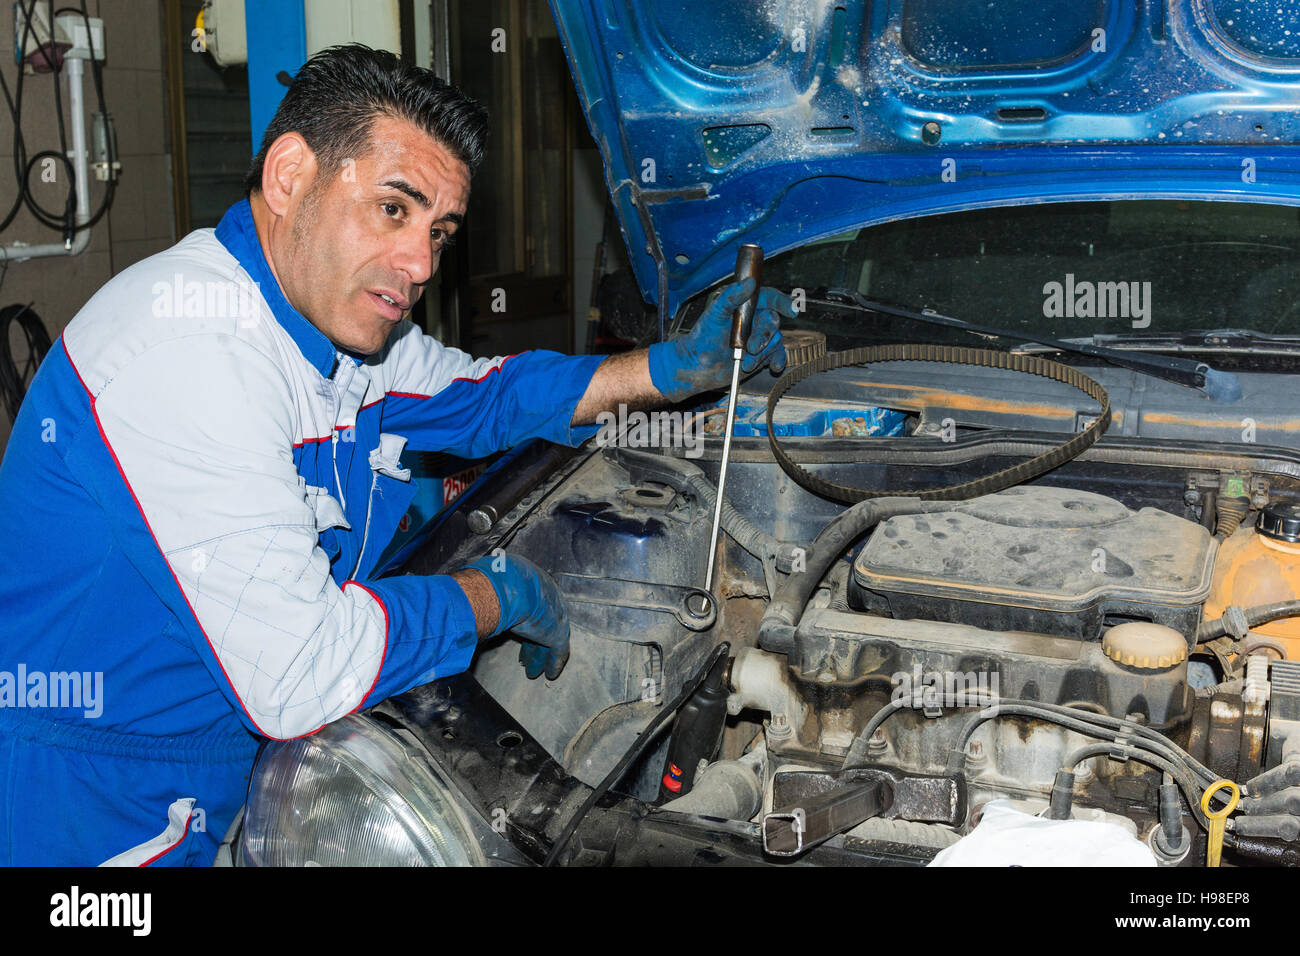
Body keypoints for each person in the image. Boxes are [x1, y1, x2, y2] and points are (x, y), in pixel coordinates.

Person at [0, 44, 791, 866]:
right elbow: (304, 672)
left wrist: (669, 370)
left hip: (212, 781)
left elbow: (489, 397)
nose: (419, 265)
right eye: (393, 209)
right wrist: (486, 597)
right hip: (80, 815)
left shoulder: (337, 333)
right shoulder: (187, 351)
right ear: (289, 176)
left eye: (438, 232)